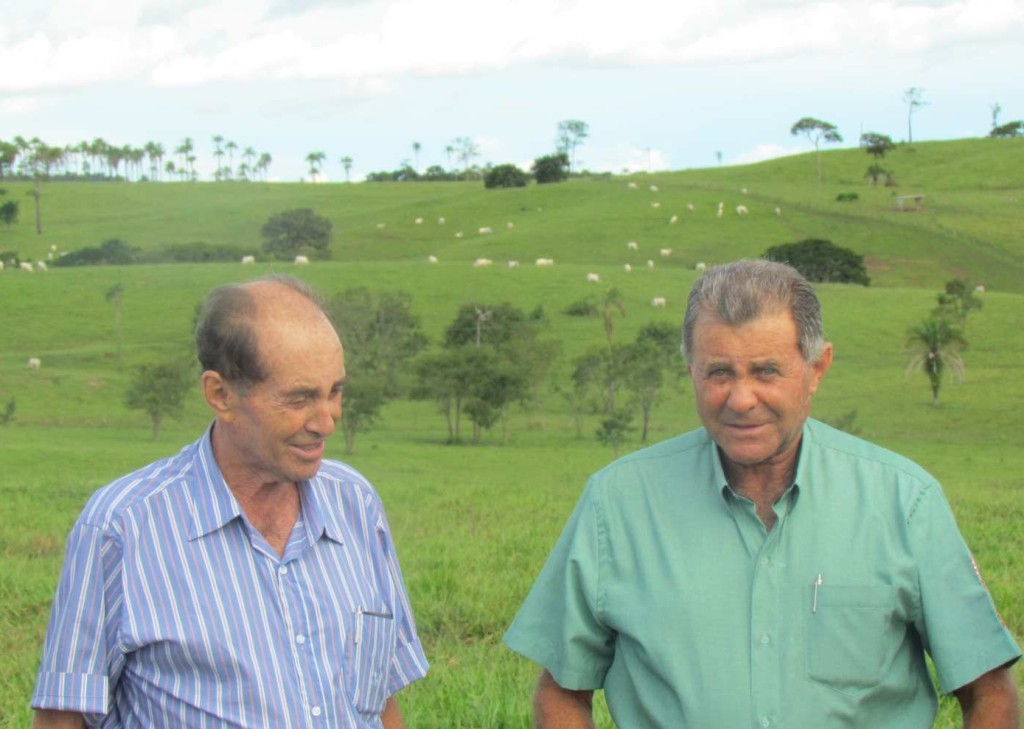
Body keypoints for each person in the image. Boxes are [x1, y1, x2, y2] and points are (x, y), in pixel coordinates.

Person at [504, 260, 1021, 727]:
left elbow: (989, 692)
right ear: (690, 371)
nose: (741, 399)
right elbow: (562, 690)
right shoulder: (617, 503)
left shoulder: (905, 502)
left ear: (817, 368)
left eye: (766, 371)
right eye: (718, 372)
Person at [31, 274, 428, 728]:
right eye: (299, 398)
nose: (326, 422)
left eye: (334, 391)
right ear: (220, 395)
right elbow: (62, 719)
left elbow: (381, 703)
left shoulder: (356, 505)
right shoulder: (122, 528)